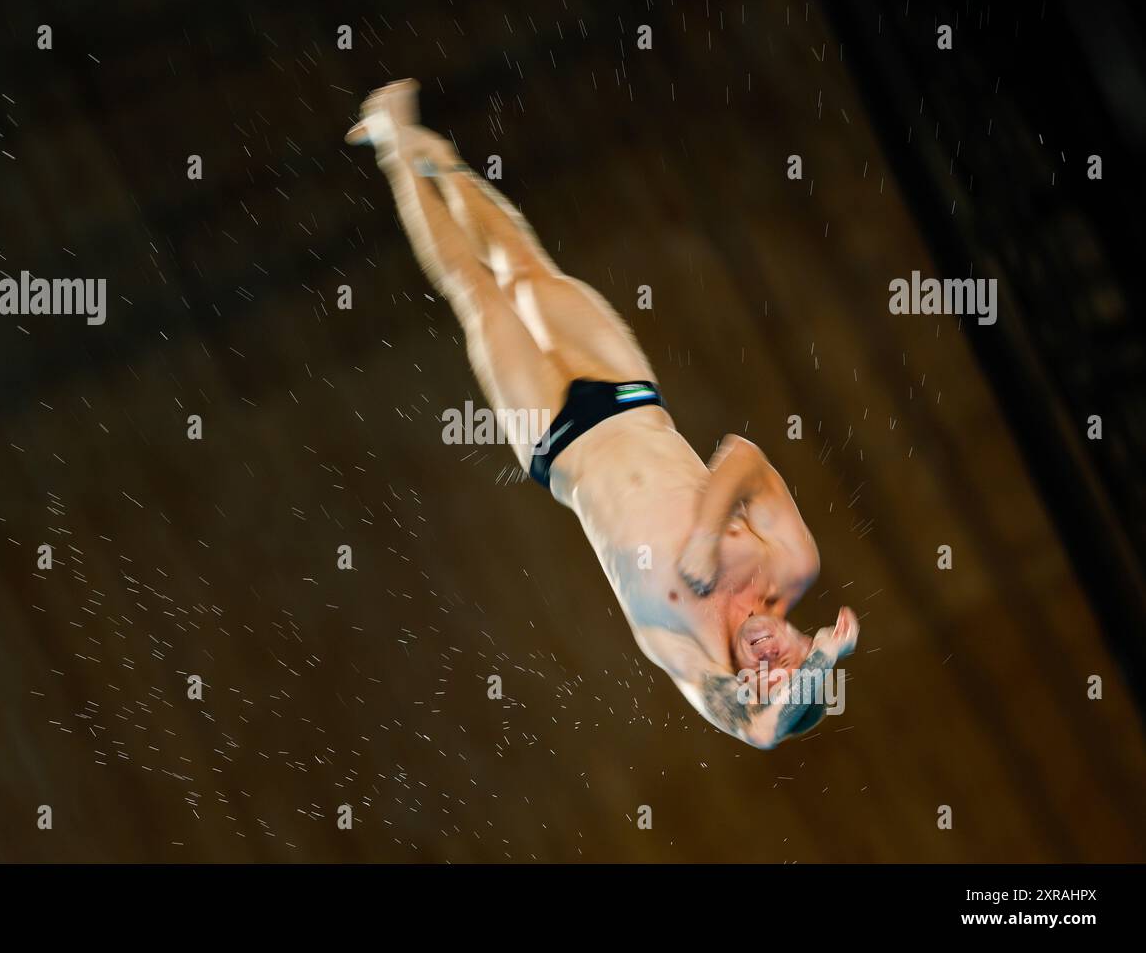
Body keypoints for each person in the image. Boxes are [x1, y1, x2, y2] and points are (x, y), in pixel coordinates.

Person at [347, 80, 859, 749]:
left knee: (477, 292)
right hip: (631, 397)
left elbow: (760, 732)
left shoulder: (692, 653)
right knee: (525, 266)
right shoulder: (789, 566)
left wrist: (818, 665)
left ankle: (392, 140)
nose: (768, 660)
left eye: (763, 677)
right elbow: (743, 456)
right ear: (799, 631)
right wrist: (707, 537)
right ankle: (440, 158)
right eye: (787, 658)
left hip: (556, 442)